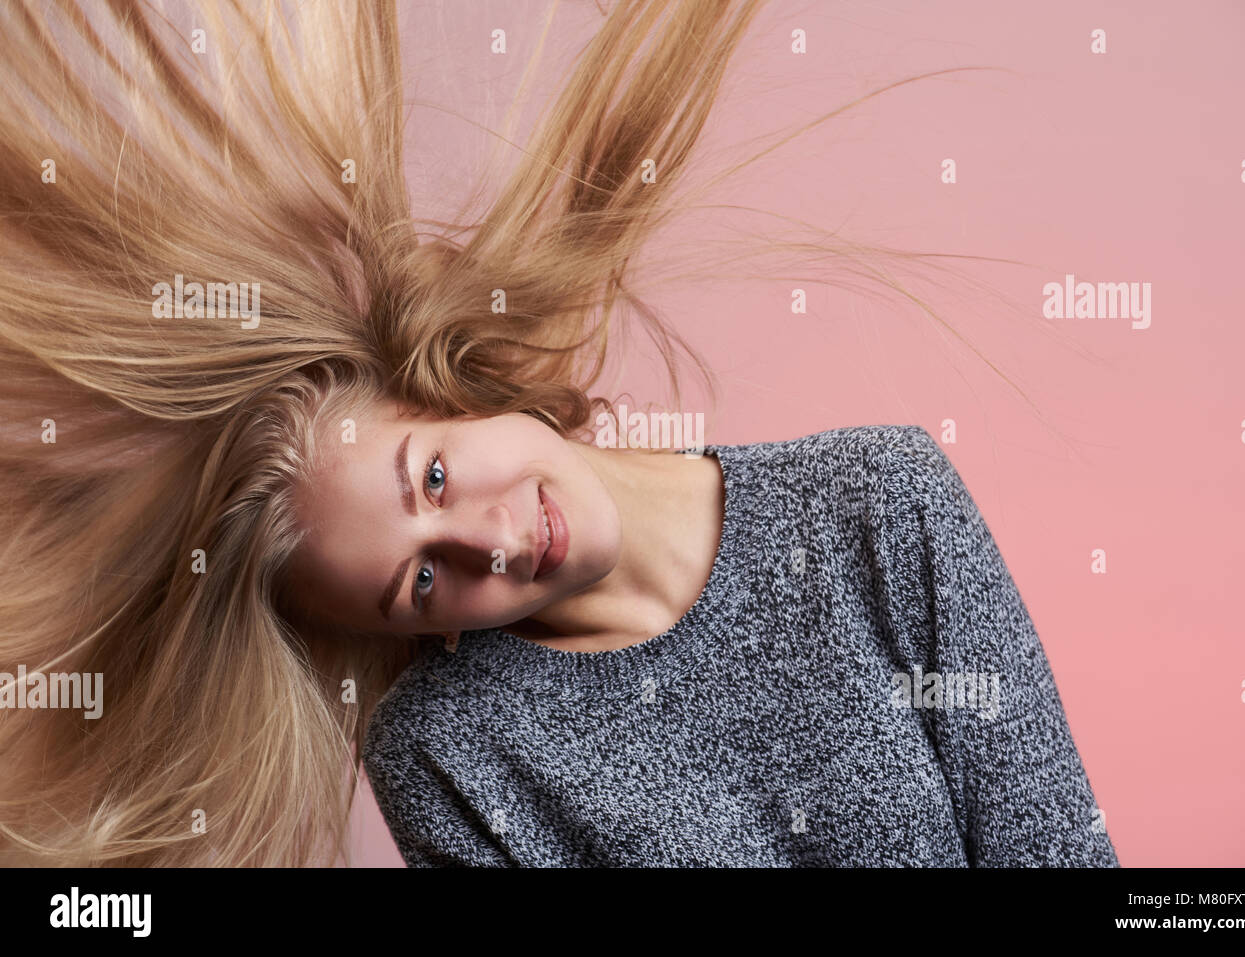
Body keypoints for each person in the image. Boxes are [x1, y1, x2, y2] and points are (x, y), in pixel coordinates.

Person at [0, 0, 1115, 867]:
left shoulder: (880, 499)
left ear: (446, 389)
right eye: (421, 585)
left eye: (431, 477)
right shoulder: (449, 752)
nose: (481, 541)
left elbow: (1056, 848)